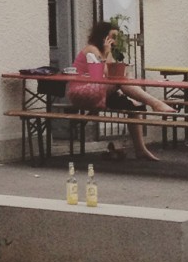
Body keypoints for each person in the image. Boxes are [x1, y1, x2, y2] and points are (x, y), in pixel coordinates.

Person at [68, 20, 174, 161]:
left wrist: (110, 56)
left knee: (133, 107)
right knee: (121, 82)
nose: (114, 41)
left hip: (99, 91)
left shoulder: (106, 52)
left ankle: (140, 149)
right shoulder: (92, 49)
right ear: (103, 37)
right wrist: (106, 54)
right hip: (81, 91)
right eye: (112, 37)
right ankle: (156, 103)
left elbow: (111, 76)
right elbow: (101, 75)